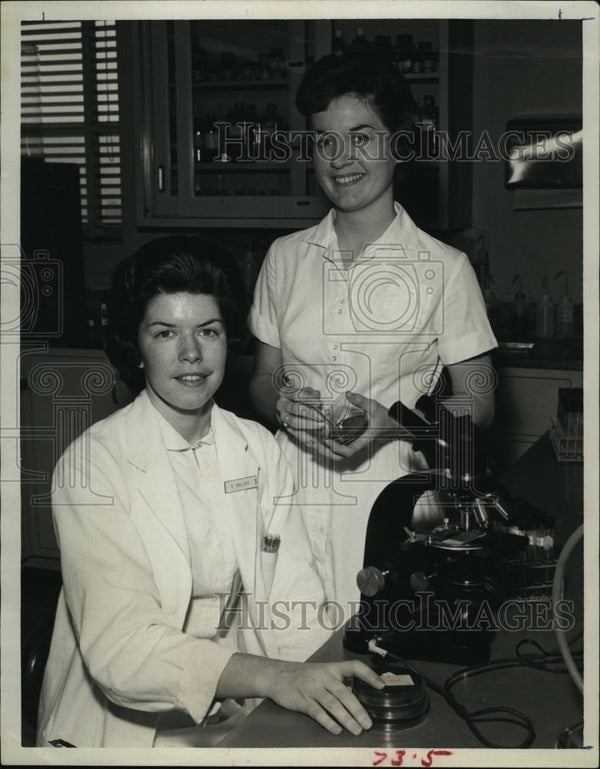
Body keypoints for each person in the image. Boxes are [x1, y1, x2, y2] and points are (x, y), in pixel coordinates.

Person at [36, 236, 385, 749]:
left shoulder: (258, 449)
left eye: (208, 330)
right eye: (165, 333)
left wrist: (331, 678)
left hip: (231, 710)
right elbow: (123, 650)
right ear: (136, 346)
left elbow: (294, 602)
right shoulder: (93, 466)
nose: (192, 354)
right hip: (123, 729)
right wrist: (274, 678)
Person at [248, 55, 498, 621]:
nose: (341, 158)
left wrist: (394, 422)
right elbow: (262, 377)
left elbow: (479, 404)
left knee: (377, 644)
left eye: (361, 137)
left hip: (394, 497)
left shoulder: (446, 268)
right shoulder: (284, 258)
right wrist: (283, 403)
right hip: (287, 491)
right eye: (325, 141)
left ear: (399, 145)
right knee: (282, 641)